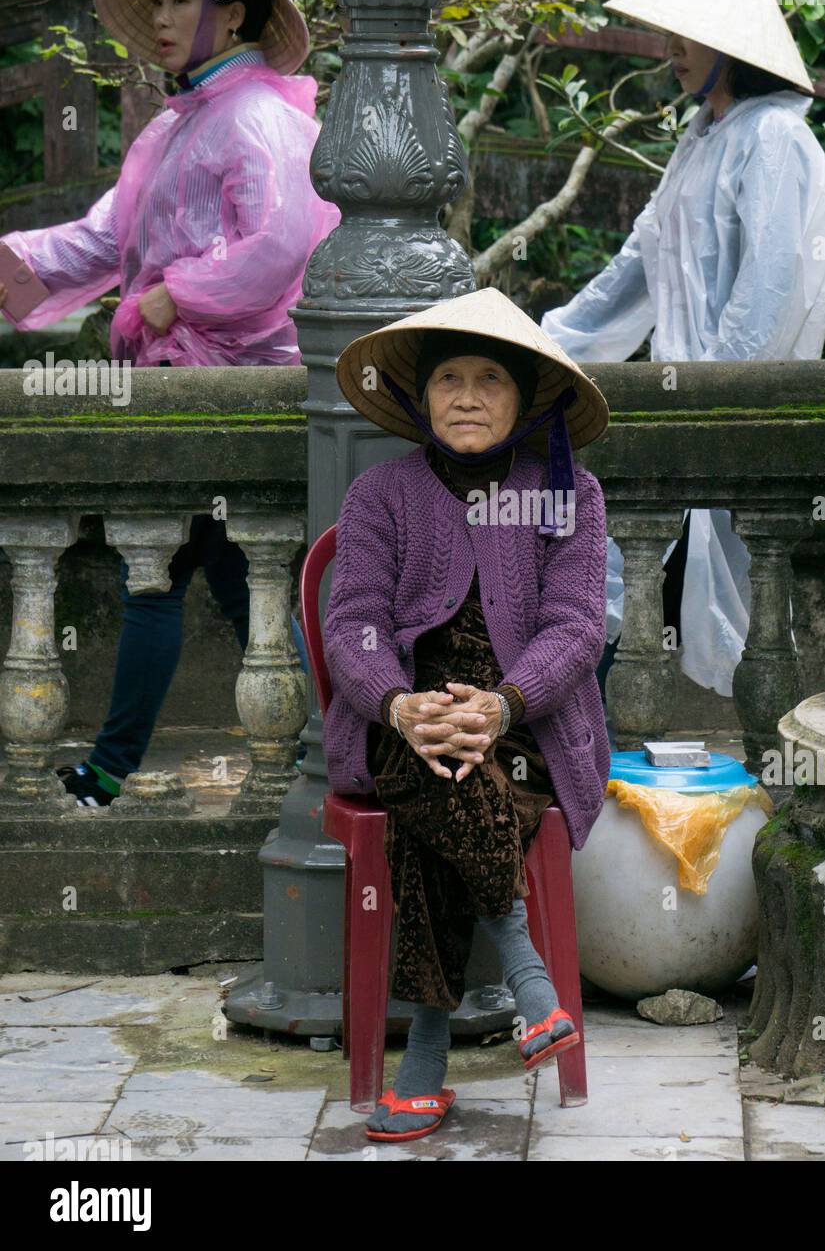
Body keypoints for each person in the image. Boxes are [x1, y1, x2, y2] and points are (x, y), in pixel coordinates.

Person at [0, 0, 339, 804]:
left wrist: (175, 296)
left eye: (179, 0)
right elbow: (106, 239)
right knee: (207, 574)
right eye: (155, 2)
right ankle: (328, 759)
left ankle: (328, 760)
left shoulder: (260, 118)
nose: (159, 17)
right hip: (181, 383)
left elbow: (278, 245)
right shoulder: (173, 126)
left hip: (239, 386)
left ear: (230, 11)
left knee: (185, 572)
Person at [323, 286, 611, 1142]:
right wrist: (401, 702)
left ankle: (426, 1054)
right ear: (421, 396)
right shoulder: (382, 494)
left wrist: (500, 704)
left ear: (524, 399)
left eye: (491, 379)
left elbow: (575, 627)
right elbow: (354, 623)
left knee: (442, 783)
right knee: (429, 758)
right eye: (449, 377)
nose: (468, 396)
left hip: (528, 729)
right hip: (403, 720)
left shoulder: (567, 495)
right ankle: (527, 976)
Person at [542, 0, 825, 700]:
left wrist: (713, 395)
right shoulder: (700, 139)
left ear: (730, 47)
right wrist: (541, 349)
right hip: (677, 408)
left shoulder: (774, 138)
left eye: (686, 35)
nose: (669, 51)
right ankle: (574, 779)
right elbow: (636, 269)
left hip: (722, 414)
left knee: (692, 616)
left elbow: (772, 291)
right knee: (601, 600)